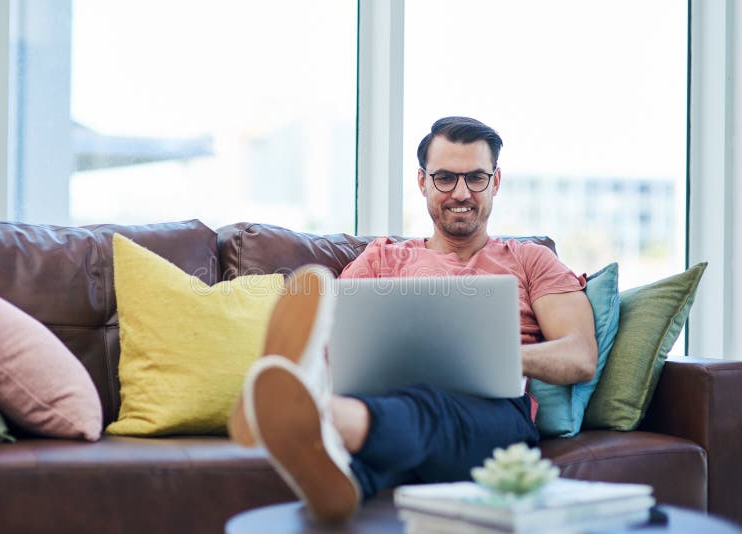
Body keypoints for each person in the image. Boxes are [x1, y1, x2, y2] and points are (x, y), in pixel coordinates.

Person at [227, 116, 597, 522]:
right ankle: (339, 474)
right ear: (422, 182)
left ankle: (323, 418)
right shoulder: (380, 259)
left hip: (496, 415)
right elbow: (342, 345)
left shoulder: (531, 260)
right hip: (386, 403)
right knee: (383, 439)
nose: (461, 192)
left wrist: (496, 356)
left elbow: (580, 357)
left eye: (476, 177)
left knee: (427, 409)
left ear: (496, 182)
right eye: (445, 178)